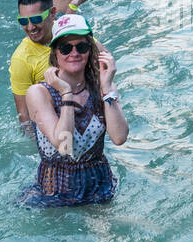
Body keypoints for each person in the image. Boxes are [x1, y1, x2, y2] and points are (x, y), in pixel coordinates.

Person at [20, 14, 127, 207]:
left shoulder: (103, 85)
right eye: (66, 48)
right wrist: (66, 93)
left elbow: (119, 138)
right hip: (54, 189)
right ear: (55, 54)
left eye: (82, 46)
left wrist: (108, 87)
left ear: (91, 51)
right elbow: (64, 145)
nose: (74, 53)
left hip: (98, 183)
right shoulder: (39, 93)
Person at [9, 0, 56, 128]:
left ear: (52, 13)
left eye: (36, 19)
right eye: (23, 21)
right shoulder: (21, 59)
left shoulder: (69, 33)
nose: (30, 27)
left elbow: (103, 58)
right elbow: (25, 119)